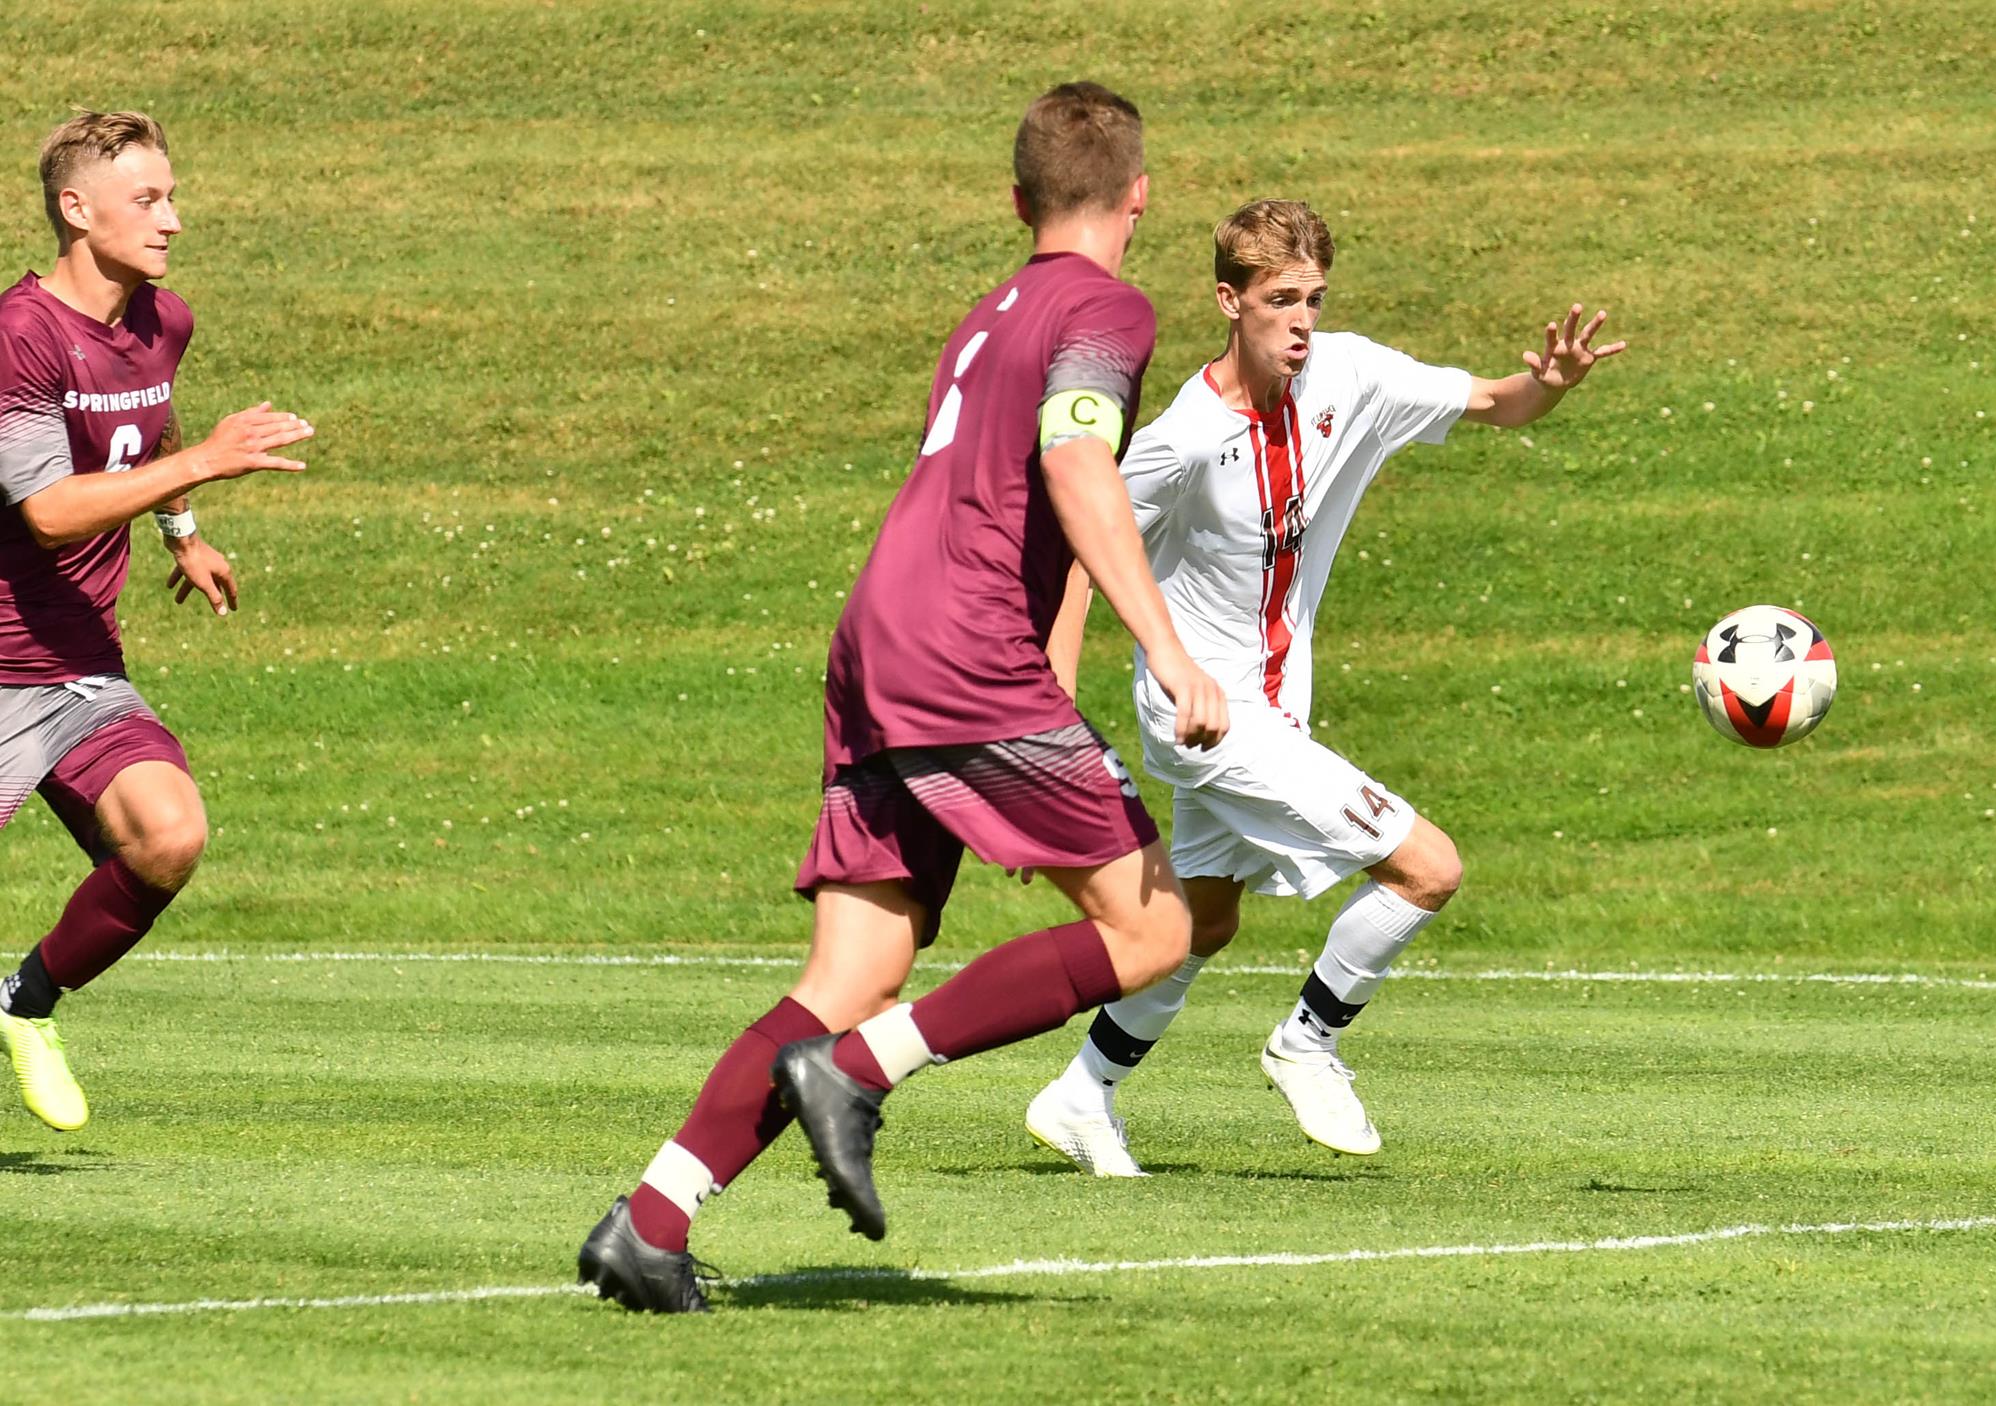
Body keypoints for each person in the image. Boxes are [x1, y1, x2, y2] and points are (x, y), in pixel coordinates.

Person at [577, 81, 1229, 1314]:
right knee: (1153, 930)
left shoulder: (992, 310)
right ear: (1139, 193)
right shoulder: (1108, 307)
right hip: (962, 647)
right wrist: (1167, 648)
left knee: (852, 969)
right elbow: (1076, 460)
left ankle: (649, 1221)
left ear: (1017, 199)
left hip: (878, 636)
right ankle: (861, 1073)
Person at [1022, 198, 1622, 1175]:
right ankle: (1306, 1039)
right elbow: (1088, 537)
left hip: (1273, 708)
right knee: (1428, 866)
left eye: (1313, 297)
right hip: (1201, 714)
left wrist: (1544, 383)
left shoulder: (1351, 374)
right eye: (1278, 299)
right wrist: (1053, 674)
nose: (1301, 320)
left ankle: (1080, 1092)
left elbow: (1496, 403)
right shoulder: (1183, 436)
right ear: (1229, 300)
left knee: (1199, 921)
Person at [0, 110, 315, 1132]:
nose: (173, 219)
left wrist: (184, 529)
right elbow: (47, 512)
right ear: (76, 208)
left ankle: (25, 1005)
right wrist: (198, 467)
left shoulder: (160, 321)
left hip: (79, 666)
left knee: (169, 835)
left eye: (173, 196)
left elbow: (150, 418)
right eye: (149, 199)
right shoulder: (20, 336)